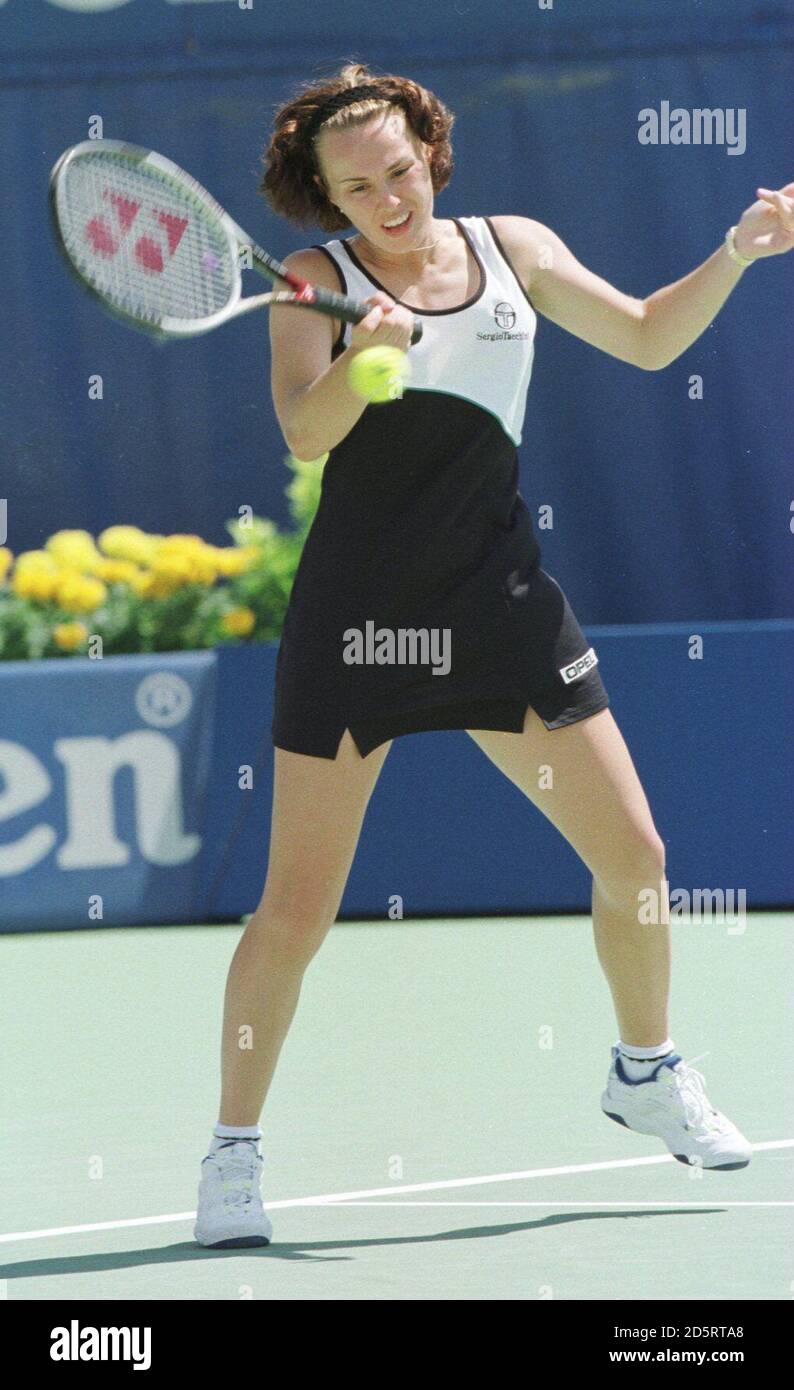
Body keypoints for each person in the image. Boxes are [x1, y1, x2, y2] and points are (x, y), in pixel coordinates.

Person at [194, 62, 794, 1247]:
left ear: (429, 147)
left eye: (401, 169)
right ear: (319, 194)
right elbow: (304, 433)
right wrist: (367, 358)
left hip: (499, 603)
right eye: (355, 184)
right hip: (358, 621)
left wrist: (735, 250)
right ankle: (231, 1153)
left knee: (633, 853)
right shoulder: (311, 283)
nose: (388, 197)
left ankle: (643, 1068)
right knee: (295, 910)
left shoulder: (513, 246)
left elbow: (640, 338)